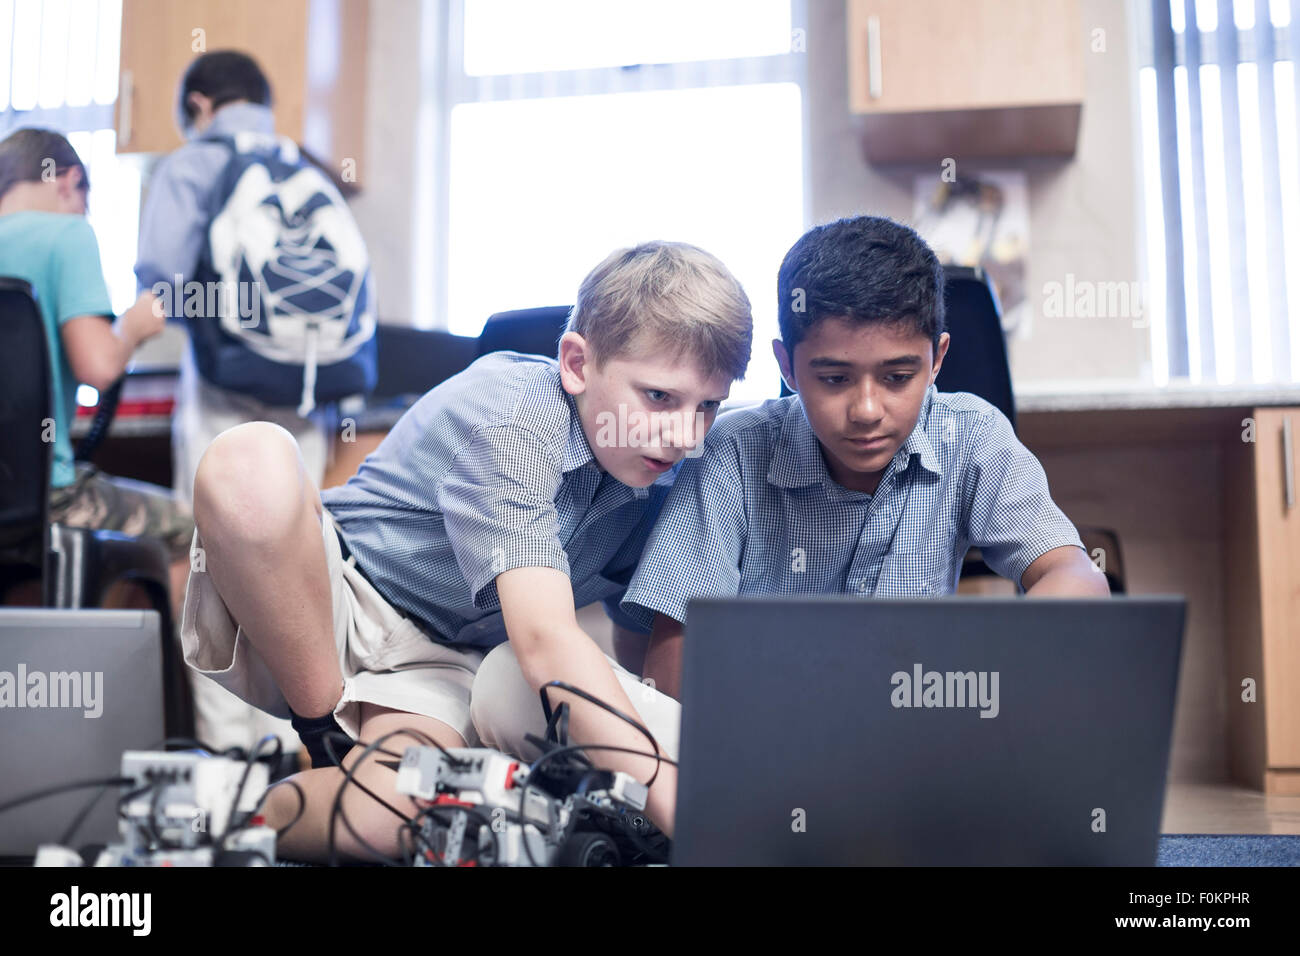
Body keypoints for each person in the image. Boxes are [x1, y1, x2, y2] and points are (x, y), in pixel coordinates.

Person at [180, 241, 753, 860]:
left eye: (708, 406)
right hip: (332, 594)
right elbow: (545, 640)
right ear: (577, 364)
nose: (684, 435)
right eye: (660, 398)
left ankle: (227, 813)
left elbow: (635, 647)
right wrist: (682, 806)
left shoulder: (664, 470)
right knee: (249, 465)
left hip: (438, 664)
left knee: (385, 818)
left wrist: (638, 794)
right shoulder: (515, 413)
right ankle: (322, 733)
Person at [621, 215, 1110, 701]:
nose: (867, 412)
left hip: (915, 730)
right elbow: (675, 642)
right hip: (768, 730)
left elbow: (1073, 575)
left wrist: (984, 669)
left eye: (898, 377)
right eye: (835, 379)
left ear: (937, 360)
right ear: (788, 365)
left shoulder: (972, 436)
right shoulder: (735, 448)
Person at [134, 50, 347, 758]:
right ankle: (300, 753)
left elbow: (161, 286)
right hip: (306, 400)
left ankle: (232, 771)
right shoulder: (308, 166)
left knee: (213, 567)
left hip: (223, 392)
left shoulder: (193, 163)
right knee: (298, 568)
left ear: (198, 103)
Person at [0, 128, 193, 607]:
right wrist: (133, 327)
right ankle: (146, 679)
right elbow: (98, 367)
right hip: (47, 499)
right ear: (67, 183)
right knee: (197, 532)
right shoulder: (67, 232)